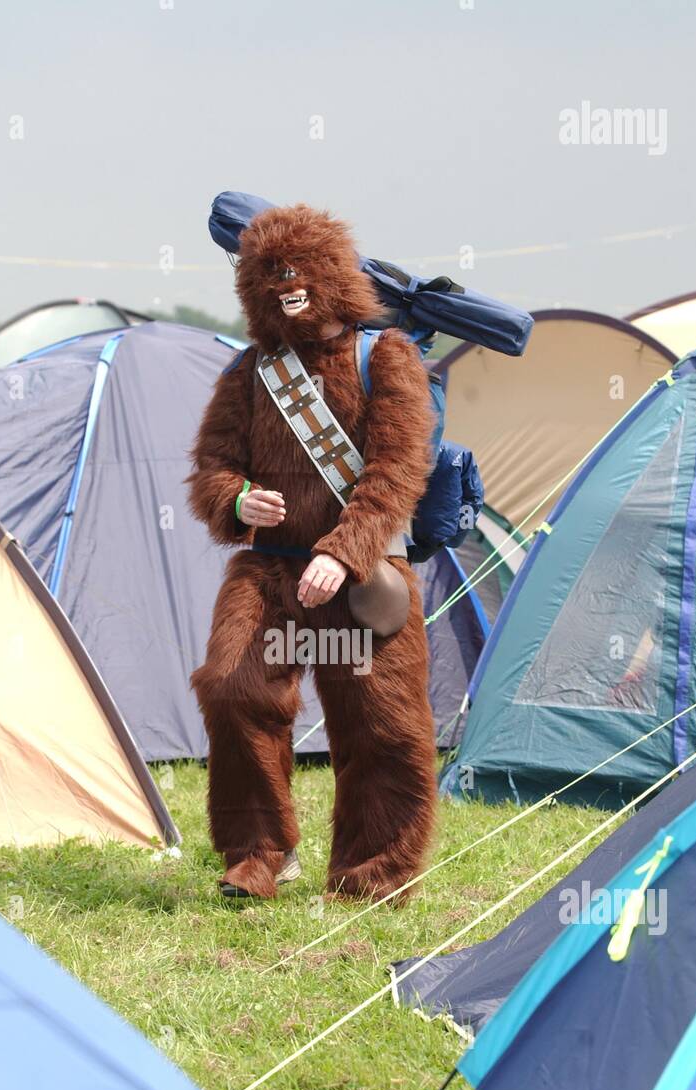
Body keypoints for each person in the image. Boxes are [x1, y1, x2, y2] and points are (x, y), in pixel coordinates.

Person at [189, 203, 436, 901]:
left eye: (298, 270)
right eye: (269, 273)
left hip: (363, 575)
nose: (285, 283)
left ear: (332, 274)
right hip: (269, 567)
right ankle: (258, 855)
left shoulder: (385, 355)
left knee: (380, 724)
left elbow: (397, 469)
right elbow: (212, 464)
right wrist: (236, 500)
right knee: (233, 689)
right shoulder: (249, 372)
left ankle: (374, 874)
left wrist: (346, 549)